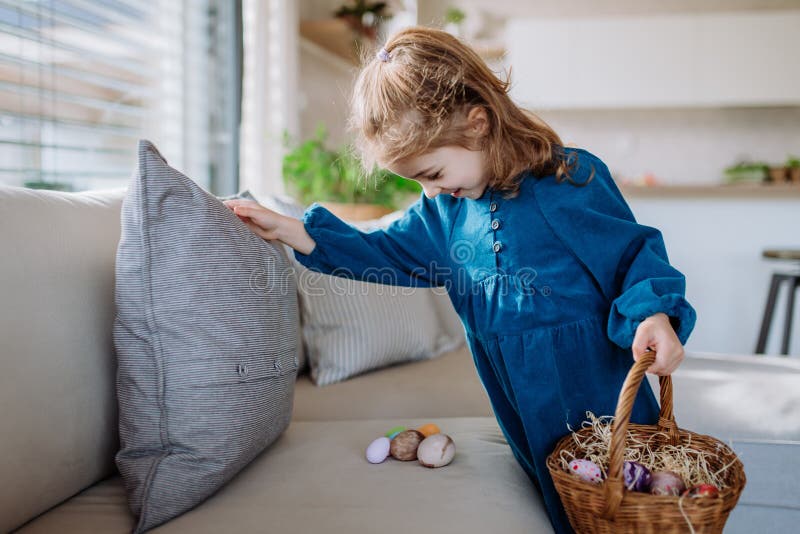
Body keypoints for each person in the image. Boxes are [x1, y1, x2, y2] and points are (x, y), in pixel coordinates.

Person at [223, 26, 696, 534]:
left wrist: (652, 313)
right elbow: (380, 248)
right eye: (418, 181)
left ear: (477, 124)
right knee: (562, 502)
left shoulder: (568, 179)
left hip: (598, 388)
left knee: (630, 503)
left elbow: (633, 254)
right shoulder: (443, 214)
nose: (430, 190)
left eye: (432, 173)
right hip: (520, 402)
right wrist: (292, 230)